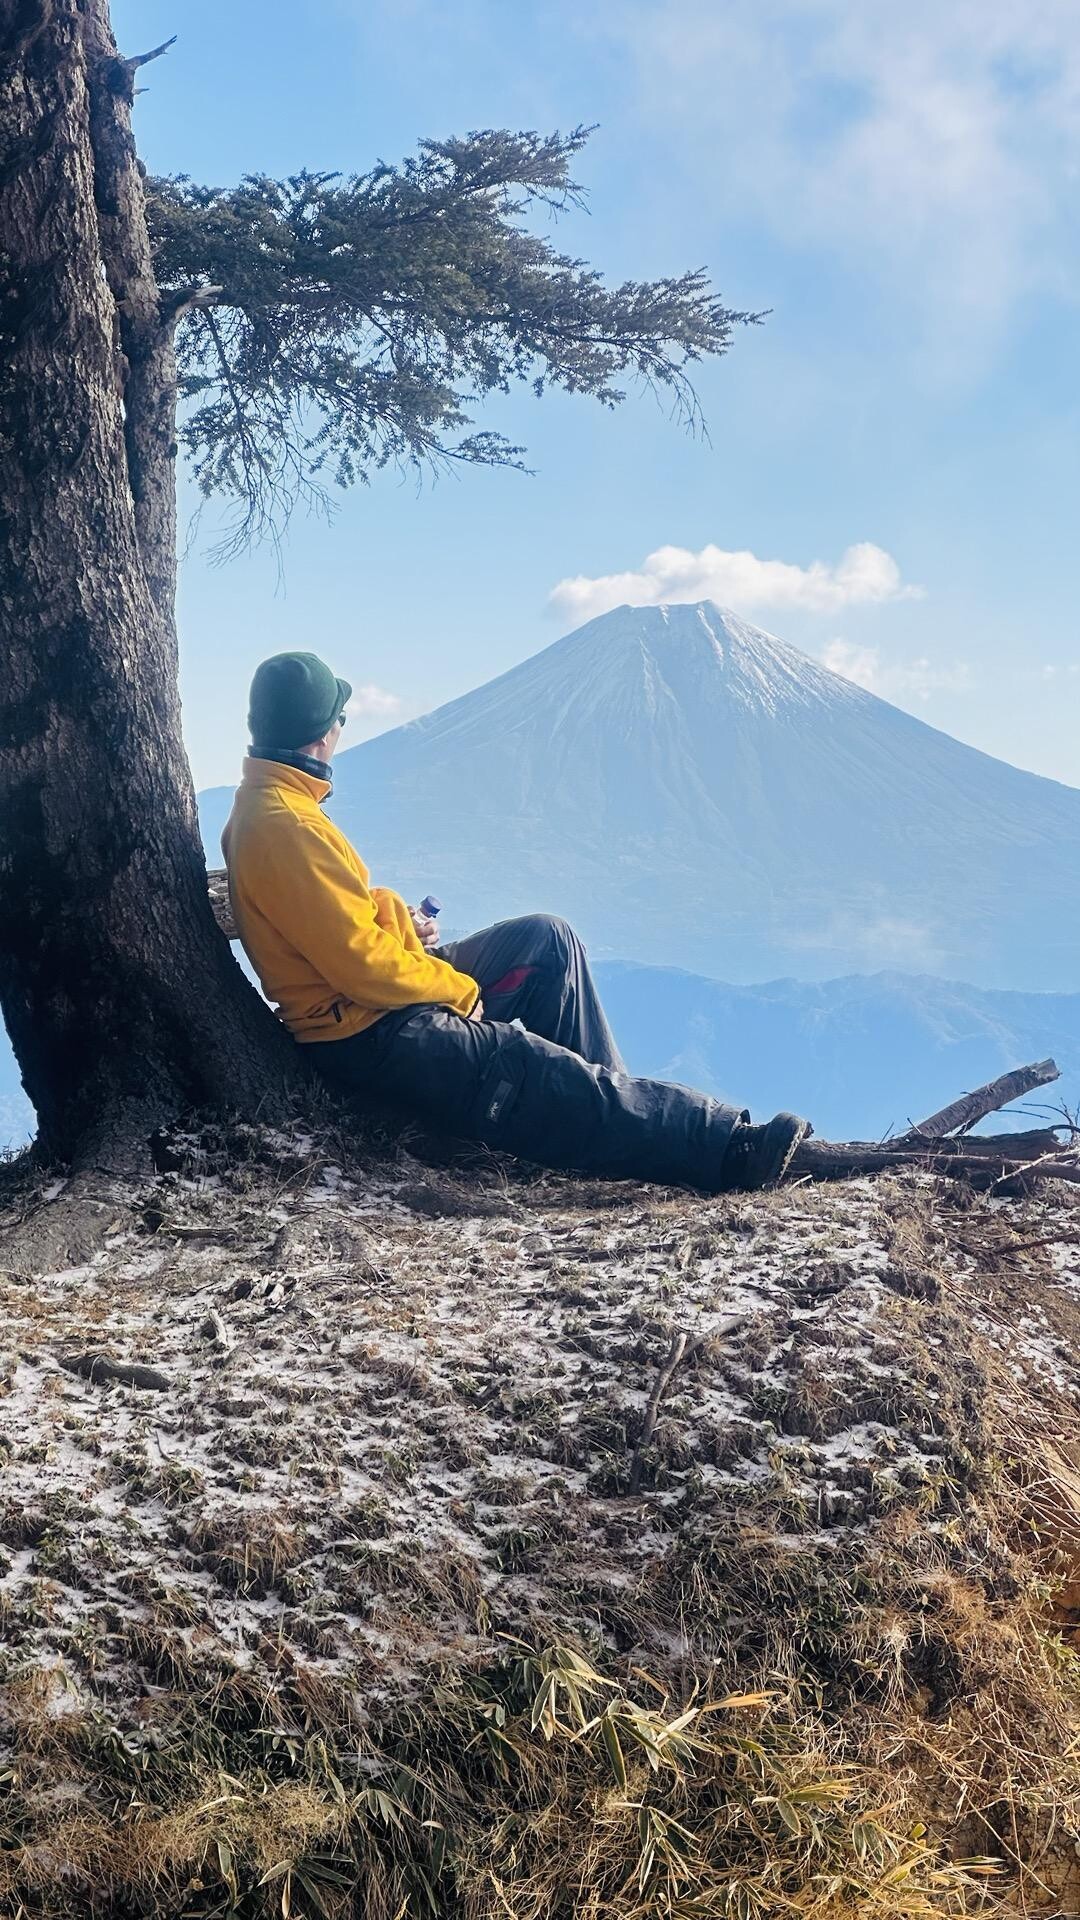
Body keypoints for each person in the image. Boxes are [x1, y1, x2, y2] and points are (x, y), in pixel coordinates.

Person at [221, 652, 811, 1192]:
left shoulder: (279, 809)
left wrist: (398, 918)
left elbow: (336, 922)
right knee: (525, 1064)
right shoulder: (286, 825)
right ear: (326, 732)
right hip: (370, 1032)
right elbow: (361, 969)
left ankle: (622, 1119)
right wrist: (459, 990)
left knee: (545, 939)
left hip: (376, 1003)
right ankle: (728, 1149)